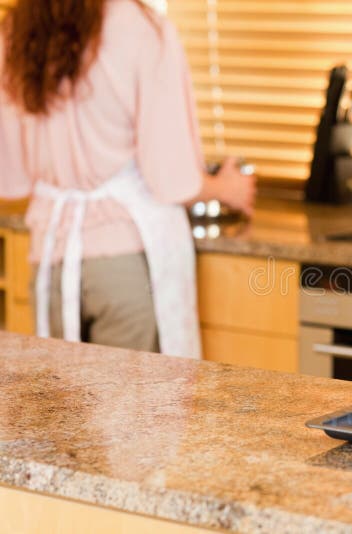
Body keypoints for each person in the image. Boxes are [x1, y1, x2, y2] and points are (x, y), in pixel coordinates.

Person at [0, 0, 255, 357]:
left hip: (52, 261)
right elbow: (170, 178)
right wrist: (227, 187)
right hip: (128, 264)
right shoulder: (143, 30)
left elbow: (11, 177)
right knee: (137, 410)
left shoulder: (17, 31)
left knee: (66, 408)